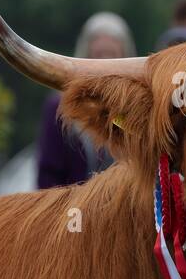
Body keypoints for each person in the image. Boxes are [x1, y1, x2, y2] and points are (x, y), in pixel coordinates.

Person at [36, 12, 135, 190]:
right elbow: (48, 175)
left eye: (112, 55)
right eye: (99, 54)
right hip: (72, 210)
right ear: (85, 56)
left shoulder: (134, 109)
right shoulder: (59, 106)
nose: (105, 62)